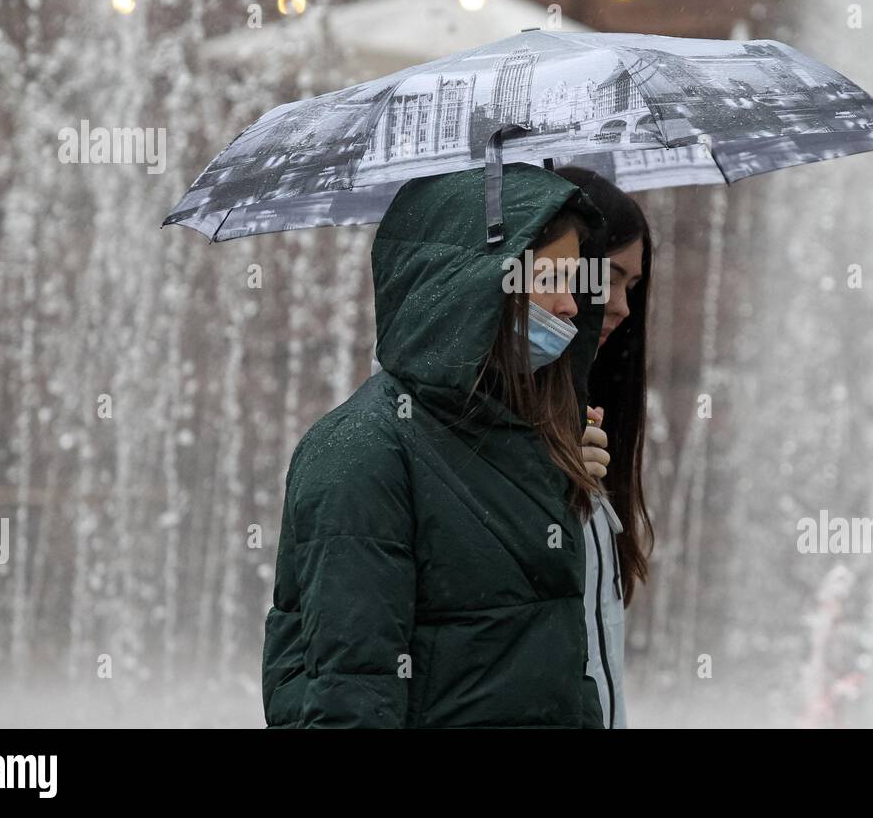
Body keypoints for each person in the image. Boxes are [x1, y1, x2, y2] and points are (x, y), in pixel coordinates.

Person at [262, 162, 611, 727]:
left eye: (573, 282)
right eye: (548, 280)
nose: (571, 305)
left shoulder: (528, 437)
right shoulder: (365, 450)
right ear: (470, 287)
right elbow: (354, 688)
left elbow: (560, 665)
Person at [557, 165, 655, 730]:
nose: (621, 307)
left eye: (633, 287)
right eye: (609, 277)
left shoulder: (585, 427)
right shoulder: (445, 439)